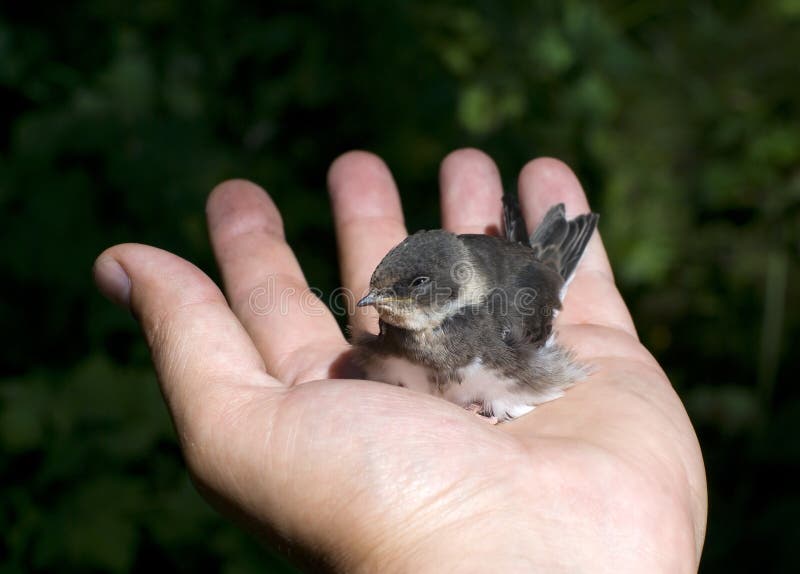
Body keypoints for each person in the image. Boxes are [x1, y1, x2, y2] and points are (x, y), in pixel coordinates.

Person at [93, 149, 707, 572]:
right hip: (495, 262)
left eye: (397, 295)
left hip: (525, 271)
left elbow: (527, 336)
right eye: (377, 294)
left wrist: (539, 266)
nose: (374, 308)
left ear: (445, 291)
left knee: (529, 272)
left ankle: (548, 245)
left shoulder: (504, 313)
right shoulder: (394, 327)